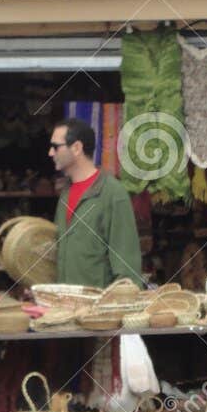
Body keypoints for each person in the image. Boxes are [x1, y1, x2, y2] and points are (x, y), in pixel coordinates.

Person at [49, 118, 143, 289]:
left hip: (97, 311)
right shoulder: (65, 195)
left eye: (56, 147)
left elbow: (127, 268)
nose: (50, 153)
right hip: (65, 307)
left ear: (77, 148)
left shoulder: (112, 193)